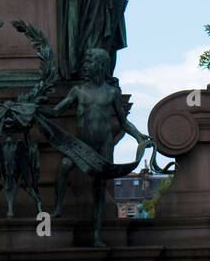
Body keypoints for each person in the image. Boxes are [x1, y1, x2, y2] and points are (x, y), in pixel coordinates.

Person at [51, 48, 149, 248]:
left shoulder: (111, 93)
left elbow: (123, 122)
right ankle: (57, 207)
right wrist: (34, 111)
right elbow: (56, 111)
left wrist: (139, 136)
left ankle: (96, 235)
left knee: (100, 190)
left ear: (101, 67)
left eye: (90, 64)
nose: (86, 68)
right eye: (85, 64)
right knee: (64, 166)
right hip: (82, 147)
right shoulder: (78, 91)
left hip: (104, 147)